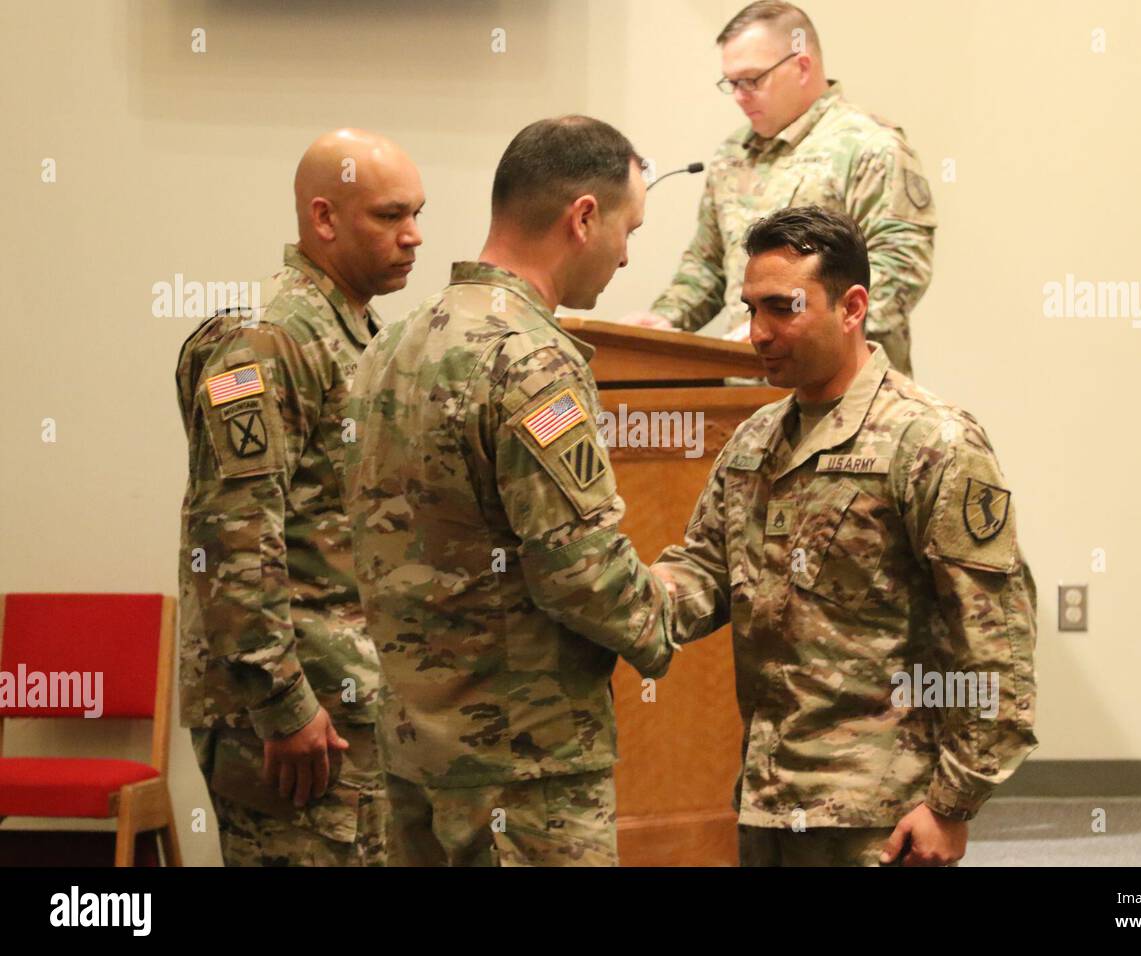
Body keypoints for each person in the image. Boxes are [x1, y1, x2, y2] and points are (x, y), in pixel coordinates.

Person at [651, 206, 1036, 866]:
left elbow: (995, 638)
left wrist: (952, 803)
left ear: (852, 306)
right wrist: (603, 587)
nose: (757, 333)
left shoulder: (931, 440)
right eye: (751, 309)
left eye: (782, 308)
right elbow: (703, 576)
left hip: (878, 818)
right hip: (766, 802)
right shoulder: (754, 442)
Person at [344, 116, 676, 867]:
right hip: (524, 767)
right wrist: (664, 616)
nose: (627, 255)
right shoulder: (533, 361)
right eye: (629, 229)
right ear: (583, 218)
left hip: (413, 752)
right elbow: (580, 569)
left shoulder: (393, 345)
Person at [176, 128, 424, 866]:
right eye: (389, 216)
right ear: (324, 218)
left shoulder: (350, 331)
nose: (413, 236)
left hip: (348, 697)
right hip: (293, 716)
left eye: (417, 213)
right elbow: (229, 537)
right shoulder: (268, 342)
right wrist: (282, 705)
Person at [621, 0, 936, 377]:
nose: (739, 95)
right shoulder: (733, 154)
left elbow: (901, 269)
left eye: (751, 80)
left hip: (846, 391)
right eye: (731, 83)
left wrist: (793, 327)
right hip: (750, 388)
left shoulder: (871, 147)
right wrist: (666, 321)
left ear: (802, 66)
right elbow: (707, 263)